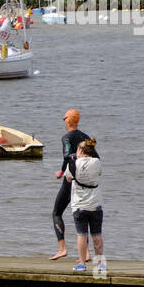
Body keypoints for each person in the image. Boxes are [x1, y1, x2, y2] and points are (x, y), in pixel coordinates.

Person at [51, 108, 96, 260]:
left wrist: (65, 171)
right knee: (82, 213)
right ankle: (87, 254)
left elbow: (66, 155)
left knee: (57, 212)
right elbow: (96, 157)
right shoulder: (86, 137)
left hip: (70, 180)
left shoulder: (66, 138)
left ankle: (62, 248)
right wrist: (62, 170)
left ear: (67, 120)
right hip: (86, 180)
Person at [64, 138, 104, 275]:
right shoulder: (97, 162)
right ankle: (100, 265)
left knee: (81, 235)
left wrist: (75, 160)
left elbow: (68, 179)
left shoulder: (72, 164)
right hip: (95, 205)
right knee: (97, 235)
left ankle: (81, 264)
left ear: (80, 150)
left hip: (79, 205)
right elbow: (99, 174)